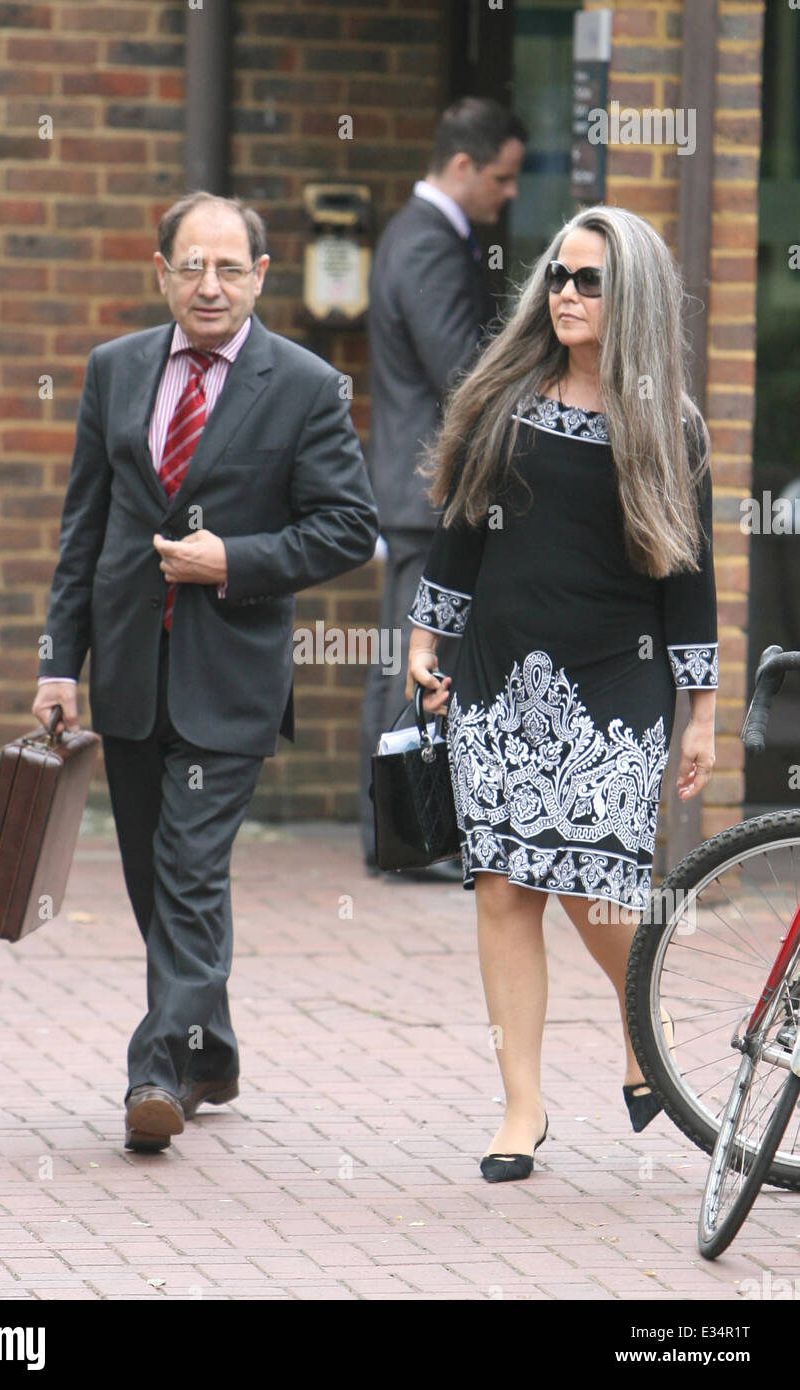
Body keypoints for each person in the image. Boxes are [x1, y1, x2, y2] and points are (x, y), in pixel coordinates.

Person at [33, 191, 378, 1153]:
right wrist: (61, 661)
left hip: (232, 679)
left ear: (261, 277)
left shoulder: (305, 384)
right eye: (192, 266)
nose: (210, 285)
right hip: (132, 673)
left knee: (188, 870)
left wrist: (238, 561)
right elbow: (84, 531)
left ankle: (156, 1075)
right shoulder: (115, 371)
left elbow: (351, 527)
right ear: (162, 272)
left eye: (230, 268)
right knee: (152, 877)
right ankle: (210, 1050)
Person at [406, 205, 718, 1181]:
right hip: (501, 673)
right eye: (558, 277)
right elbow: (460, 530)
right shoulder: (504, 397)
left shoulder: (671, 424)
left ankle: (643, 1026)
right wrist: (425, 632)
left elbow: (689, 576)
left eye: (591, 281)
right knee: (504, 885)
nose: (568, 295)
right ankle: (522, 1108)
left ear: (634, 298)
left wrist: (699, 707)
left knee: (592, 875)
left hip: (617, 676)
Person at [359, 97, 527, 878]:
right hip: (428, 495)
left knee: (411, 656)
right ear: (462, 166)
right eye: (502, 175)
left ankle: (399, 838)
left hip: (416, 491)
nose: (510, 192)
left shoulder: (420, 236)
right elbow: (460, 370)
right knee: (415, 663)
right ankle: (401, 840)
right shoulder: (428, 243)